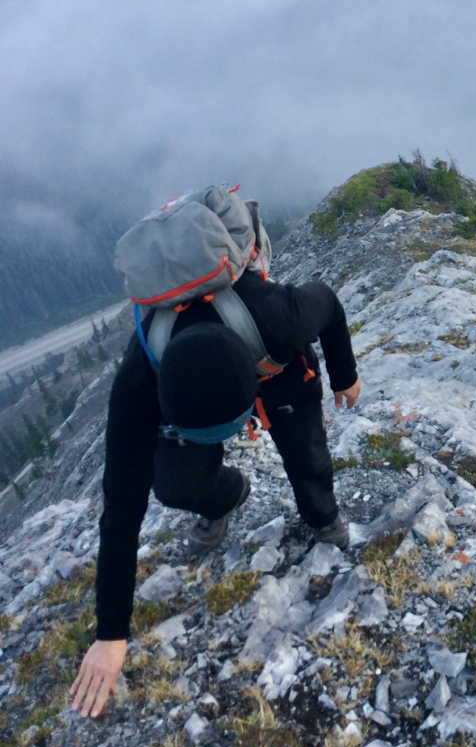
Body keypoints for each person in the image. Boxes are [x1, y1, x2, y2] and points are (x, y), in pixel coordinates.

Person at [70, 268, 360, 719]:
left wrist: (345, 373)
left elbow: (329, 300)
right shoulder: (140, 382)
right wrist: (111, 633)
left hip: (274, 368)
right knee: (173, 482)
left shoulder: (277, 319)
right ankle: (225, 496)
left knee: (306, 451)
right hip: (191, 393)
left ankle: (323, 518)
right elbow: (121, 509)